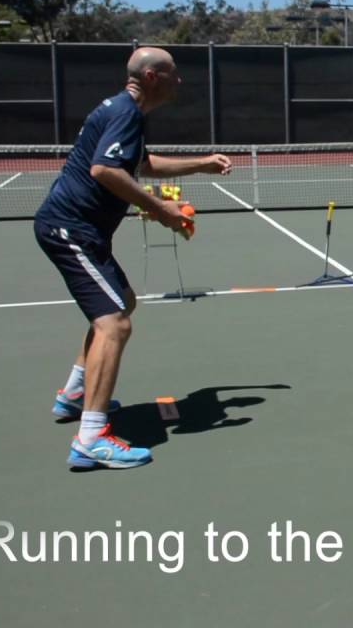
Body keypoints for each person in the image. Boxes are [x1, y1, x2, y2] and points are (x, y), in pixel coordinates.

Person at [34, 47, 232, 469]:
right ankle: (91, 437)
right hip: (71, 230)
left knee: (122, 301)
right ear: (152, 76)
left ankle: (74, 393)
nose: (180, 80)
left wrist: (201, 164)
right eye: (173, 74)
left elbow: (141, 164)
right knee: (115, 324)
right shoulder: (126, 112)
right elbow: (105, 171)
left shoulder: (126, 113)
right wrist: (162, 210)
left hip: (81, 230)